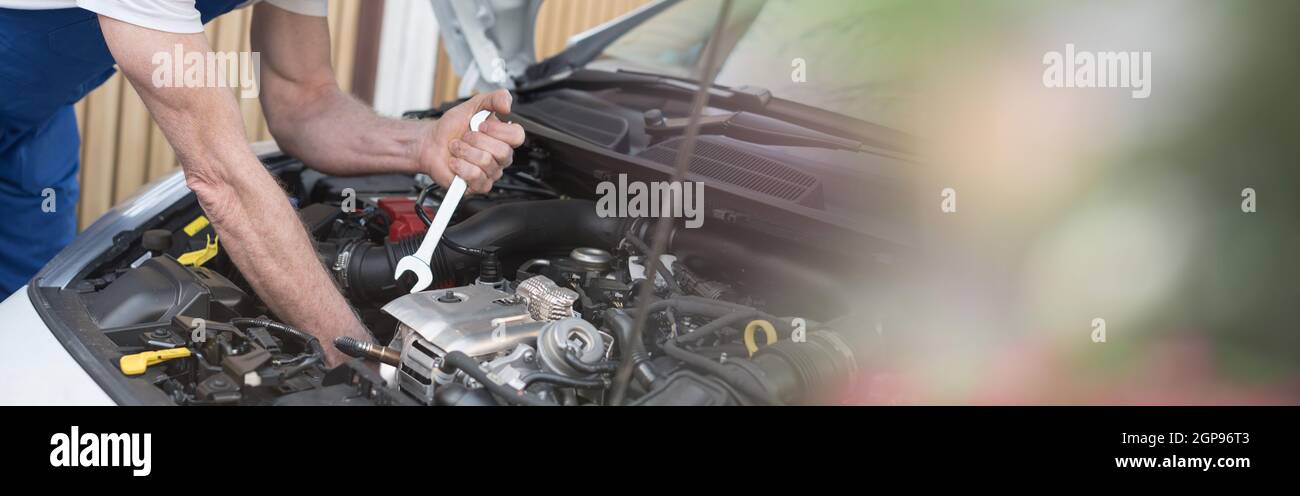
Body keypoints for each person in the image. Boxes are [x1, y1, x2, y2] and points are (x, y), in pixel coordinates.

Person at [0, 0, 525, 365]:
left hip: (33, 124)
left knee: (14, 326)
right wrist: (358, 358)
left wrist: (422, 144)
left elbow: (305, 101)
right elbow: (220, 177)